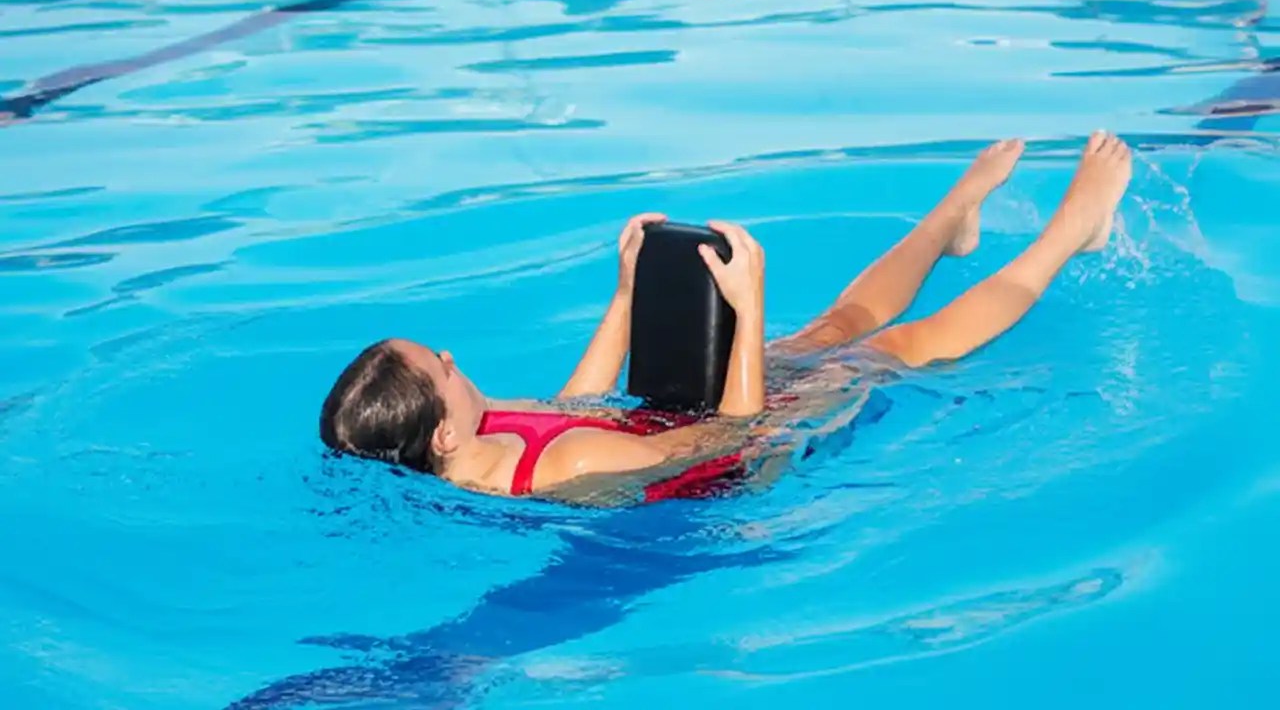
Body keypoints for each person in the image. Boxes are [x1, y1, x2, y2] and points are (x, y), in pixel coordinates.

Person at [319, 131, 1132, 500]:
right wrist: (747, 315)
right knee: (901, 347)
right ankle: (1070, 232)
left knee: (826, 331)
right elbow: (732, 442)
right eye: (441, 367)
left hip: (685, 415)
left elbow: (578, 404)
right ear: (442, 436)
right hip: (744, 458)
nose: (453, 357)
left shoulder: (488, 430)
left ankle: (950, 219)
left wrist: (628, 295)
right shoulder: (562, 476)